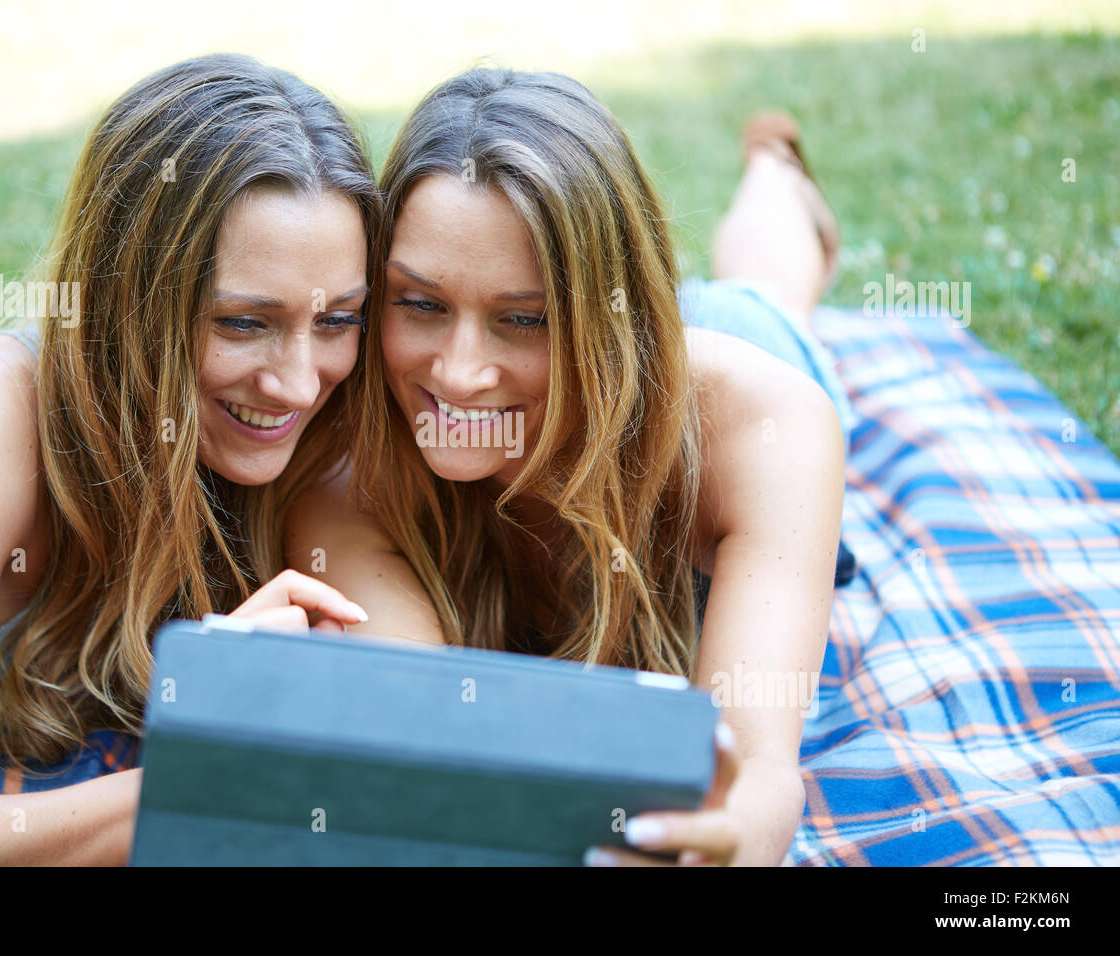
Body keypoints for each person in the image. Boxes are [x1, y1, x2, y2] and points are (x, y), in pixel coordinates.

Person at [285, 69, 857, 866]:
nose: (458, 373)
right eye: (420, 304)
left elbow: (760, 764)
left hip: (716, 364)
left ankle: (777, 173)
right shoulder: (348, 475)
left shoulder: (762, 423)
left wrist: (729, 841)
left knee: (765, 295)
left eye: (525, 319)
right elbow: (416, 726)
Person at [0, 53, 378, 865]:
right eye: (243, 323)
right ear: (128, 301)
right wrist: (197, 777)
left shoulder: (330, 420)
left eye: (338, 321)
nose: (298, 382)